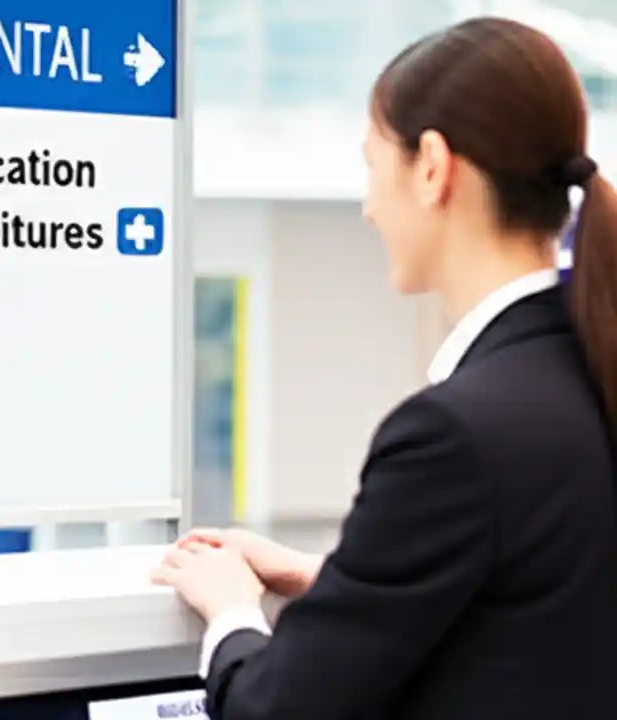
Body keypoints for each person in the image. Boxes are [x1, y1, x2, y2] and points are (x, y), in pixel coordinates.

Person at [152, 17, 617, 720]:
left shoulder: (456, 435)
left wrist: (231, 609)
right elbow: (538, 610)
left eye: (373, 165)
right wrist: (336, 583)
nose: (369, 208)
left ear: (431, 166)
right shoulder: (588, 375)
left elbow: (276, 712)